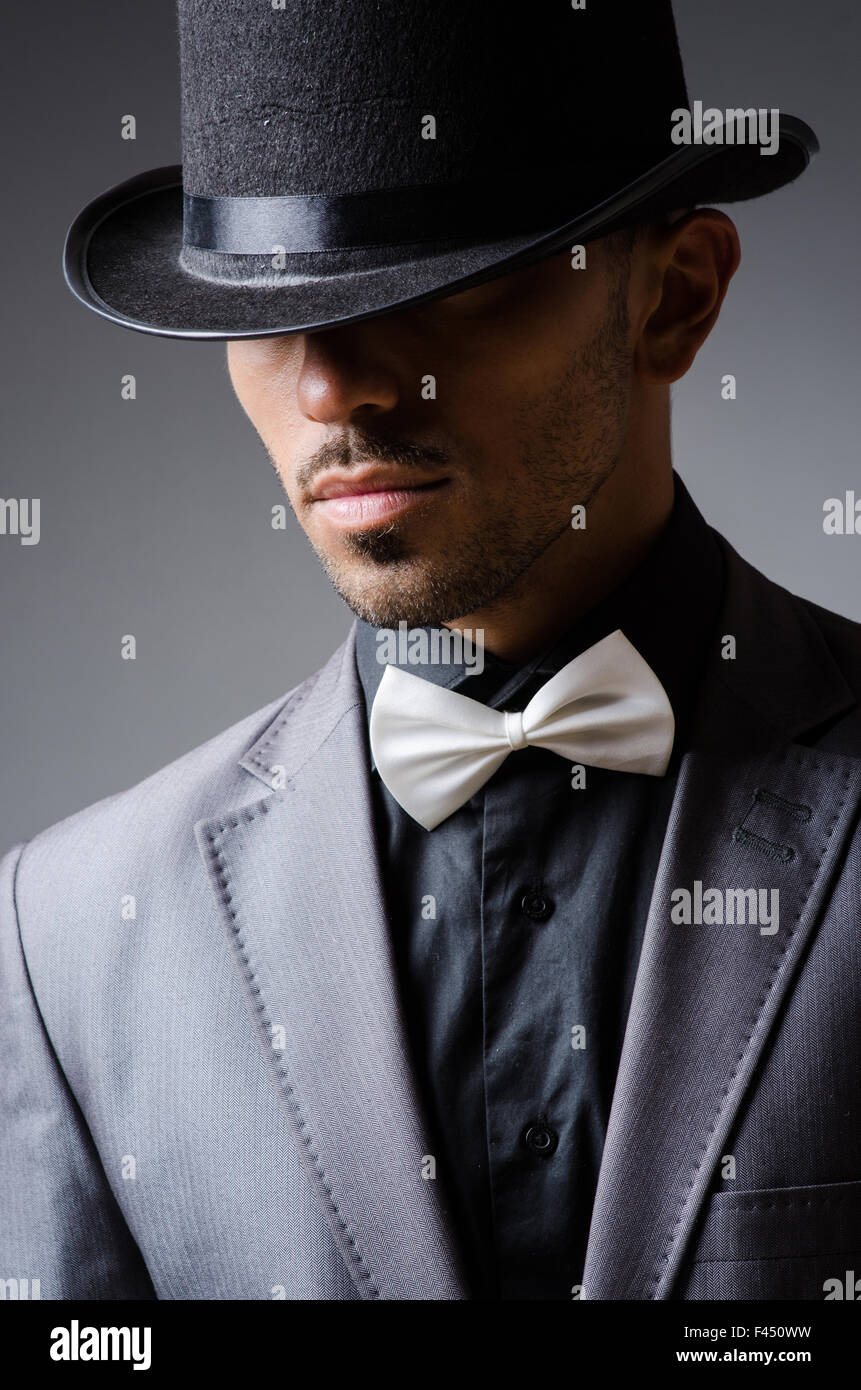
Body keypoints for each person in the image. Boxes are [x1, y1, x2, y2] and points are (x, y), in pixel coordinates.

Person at [2, 0, 859, 1301]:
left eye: (446, 290)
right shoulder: (60, 938)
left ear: (673, 300)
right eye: (269, 308)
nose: (328, 390)